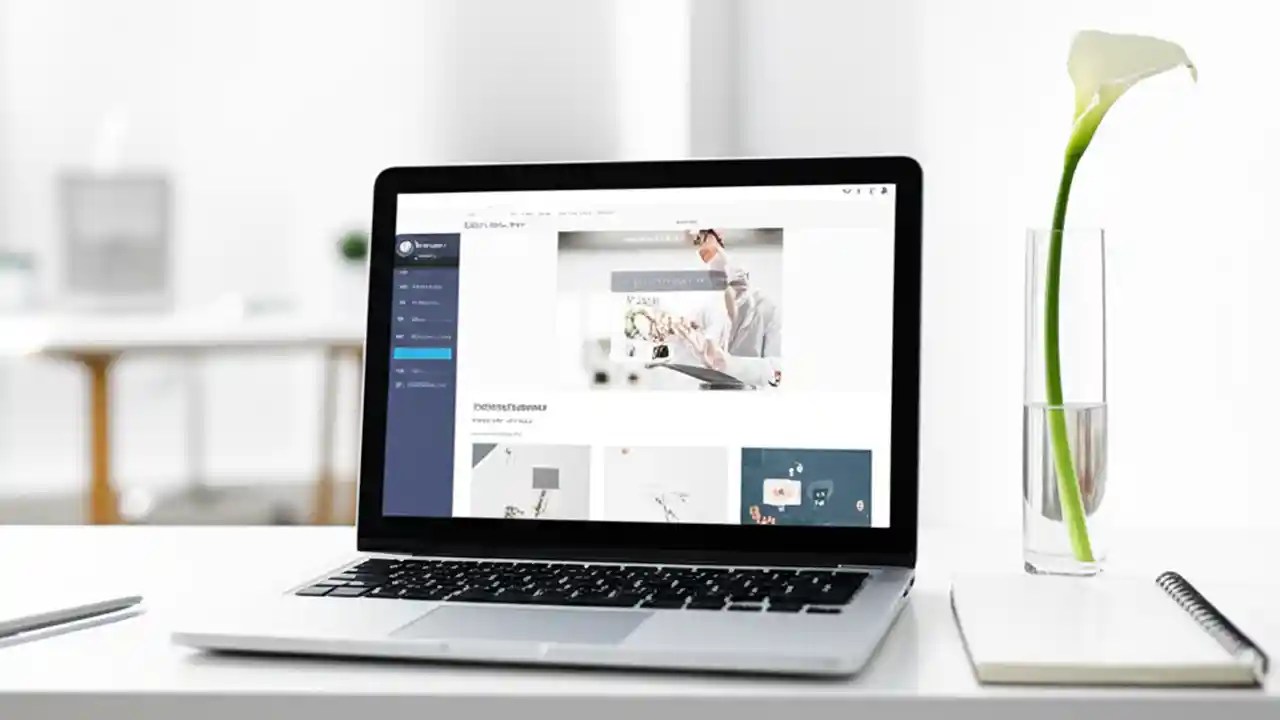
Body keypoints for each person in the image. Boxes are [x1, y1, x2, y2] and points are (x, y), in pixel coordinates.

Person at [672, 229, 782, 388]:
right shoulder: (705, 312)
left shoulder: (769, 310)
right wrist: (685, 345)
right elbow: (682, 368)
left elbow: (778, 372)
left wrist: (728, 365)